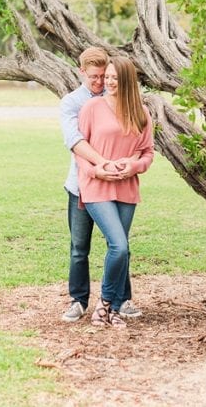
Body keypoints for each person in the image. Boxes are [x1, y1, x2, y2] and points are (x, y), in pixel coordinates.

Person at [58, 47, 142, 323]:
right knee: (80, 247)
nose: (99, 82)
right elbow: (76, 142)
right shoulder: (73, 103)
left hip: (115, 184)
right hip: (81, 184)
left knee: (118, 243)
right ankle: (78, 300)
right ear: (82, 72)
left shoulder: (116, 98)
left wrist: (127, 165)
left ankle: (121, 299)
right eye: (93, 77)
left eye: (102, 75)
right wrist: (102, 165)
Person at [76, 55, 155, 328]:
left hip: (126, 187)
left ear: (128, 81)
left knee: (121, 248)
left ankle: (111, 311)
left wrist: (134, 166)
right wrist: (96, 170)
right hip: (97, 186)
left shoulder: (140, 113)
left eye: (115, 78)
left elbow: (147, 153)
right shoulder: (92, 107)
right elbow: (78, 148)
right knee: (119, 246)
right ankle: (105, 305)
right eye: (107, 77)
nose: (109, 82)